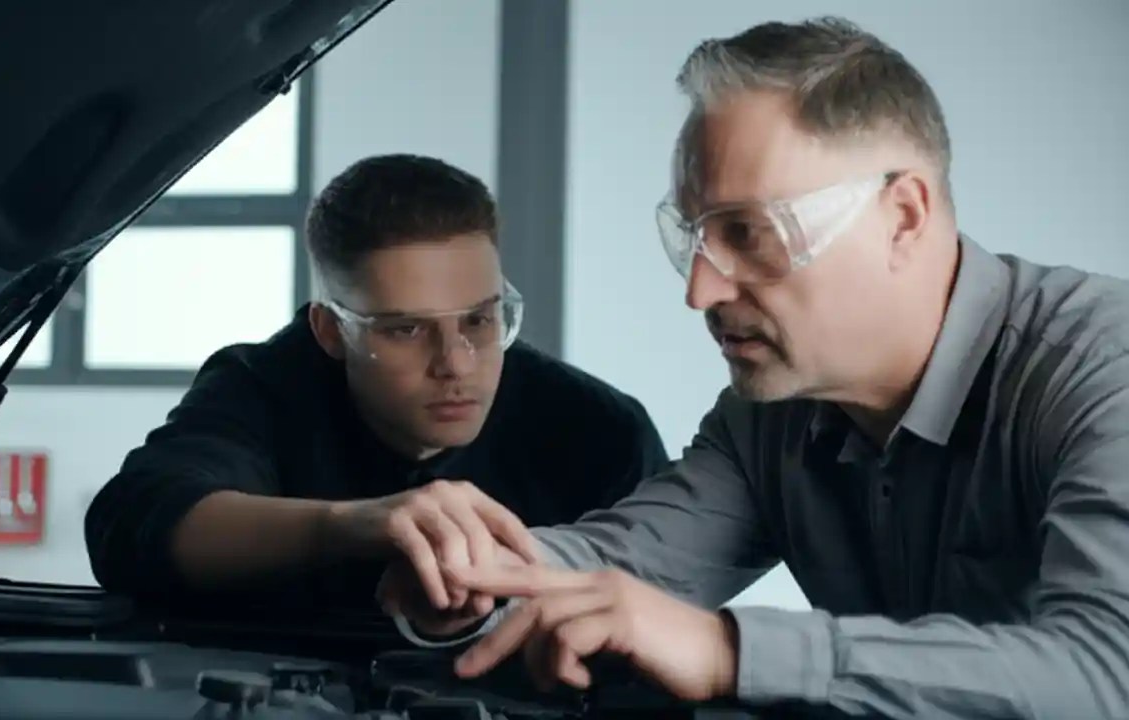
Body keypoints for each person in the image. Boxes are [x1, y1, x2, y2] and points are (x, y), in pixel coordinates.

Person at [377, 17, 1129, 719]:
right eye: (696, 239)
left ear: (903, 217)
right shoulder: (771, 417)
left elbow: (1107, 671)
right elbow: (633, 562)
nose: (701, 290)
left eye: (750, 233)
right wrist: (478, 575)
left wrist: (728, 649)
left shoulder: (1105, 371)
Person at [84, 153, 669, 615]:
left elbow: (661, 617)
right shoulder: (263, 386)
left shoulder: (601, 431)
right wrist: (354, 525)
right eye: (407, 329)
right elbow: (133, 527)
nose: (457, 364)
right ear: (331, 330)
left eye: (479, 320)